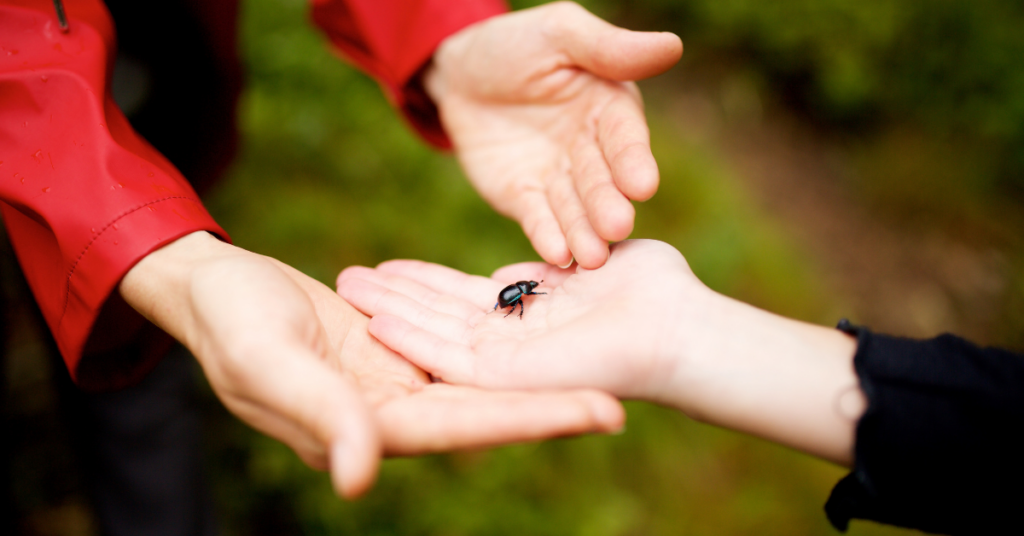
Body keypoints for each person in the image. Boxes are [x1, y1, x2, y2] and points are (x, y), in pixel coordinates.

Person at [1, 0, 682, 513]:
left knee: (133, 367)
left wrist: (442, 29)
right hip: (46, 109)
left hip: (162, 71)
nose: (523, 295)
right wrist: (145, 249)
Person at [336, 238, 1024, 534]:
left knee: (525, 294)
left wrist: (683, 339)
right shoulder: (515, 294)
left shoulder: (524, 291)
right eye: (520, 297)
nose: (521, 294)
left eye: (520, 296)